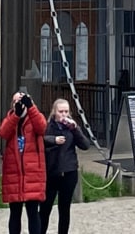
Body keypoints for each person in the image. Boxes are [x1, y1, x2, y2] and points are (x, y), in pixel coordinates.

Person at [0, 91, 48, 234]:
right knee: (15, 212)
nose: (19, 104)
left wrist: (31, 107)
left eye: (22, 101)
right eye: (15, 101)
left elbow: (42, 128)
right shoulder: (10, 118)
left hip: (32, 172)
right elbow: (3, 133)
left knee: (33, 212)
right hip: (14, 172)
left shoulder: (35, 117)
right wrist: (16, 115)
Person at [40, 98, 91, 234]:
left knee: (64, 208)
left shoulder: (72, 127)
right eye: (60, 111)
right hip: (51, 172)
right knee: (45, 208)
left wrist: (76, 129)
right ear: (54, 112)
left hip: (69, 171)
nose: (63, 114)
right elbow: (39, 140)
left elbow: (85, 145)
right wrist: (53, 140)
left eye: (66, 111)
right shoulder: (48, 126)